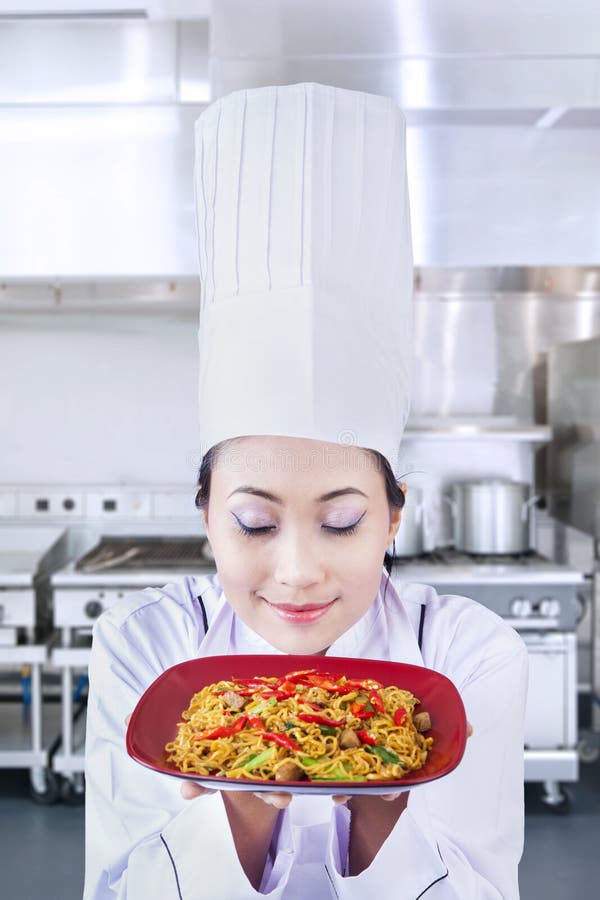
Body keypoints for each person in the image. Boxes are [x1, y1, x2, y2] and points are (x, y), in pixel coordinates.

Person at [84, 83, 528, 900]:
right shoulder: (144, 647)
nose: (296, 572)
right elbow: (112, 888)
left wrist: (383, 809)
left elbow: (488, 889)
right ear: (207, 517)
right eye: (255, 522)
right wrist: (242, 811)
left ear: (393, 517)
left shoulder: (468, 657)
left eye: (343, 521)